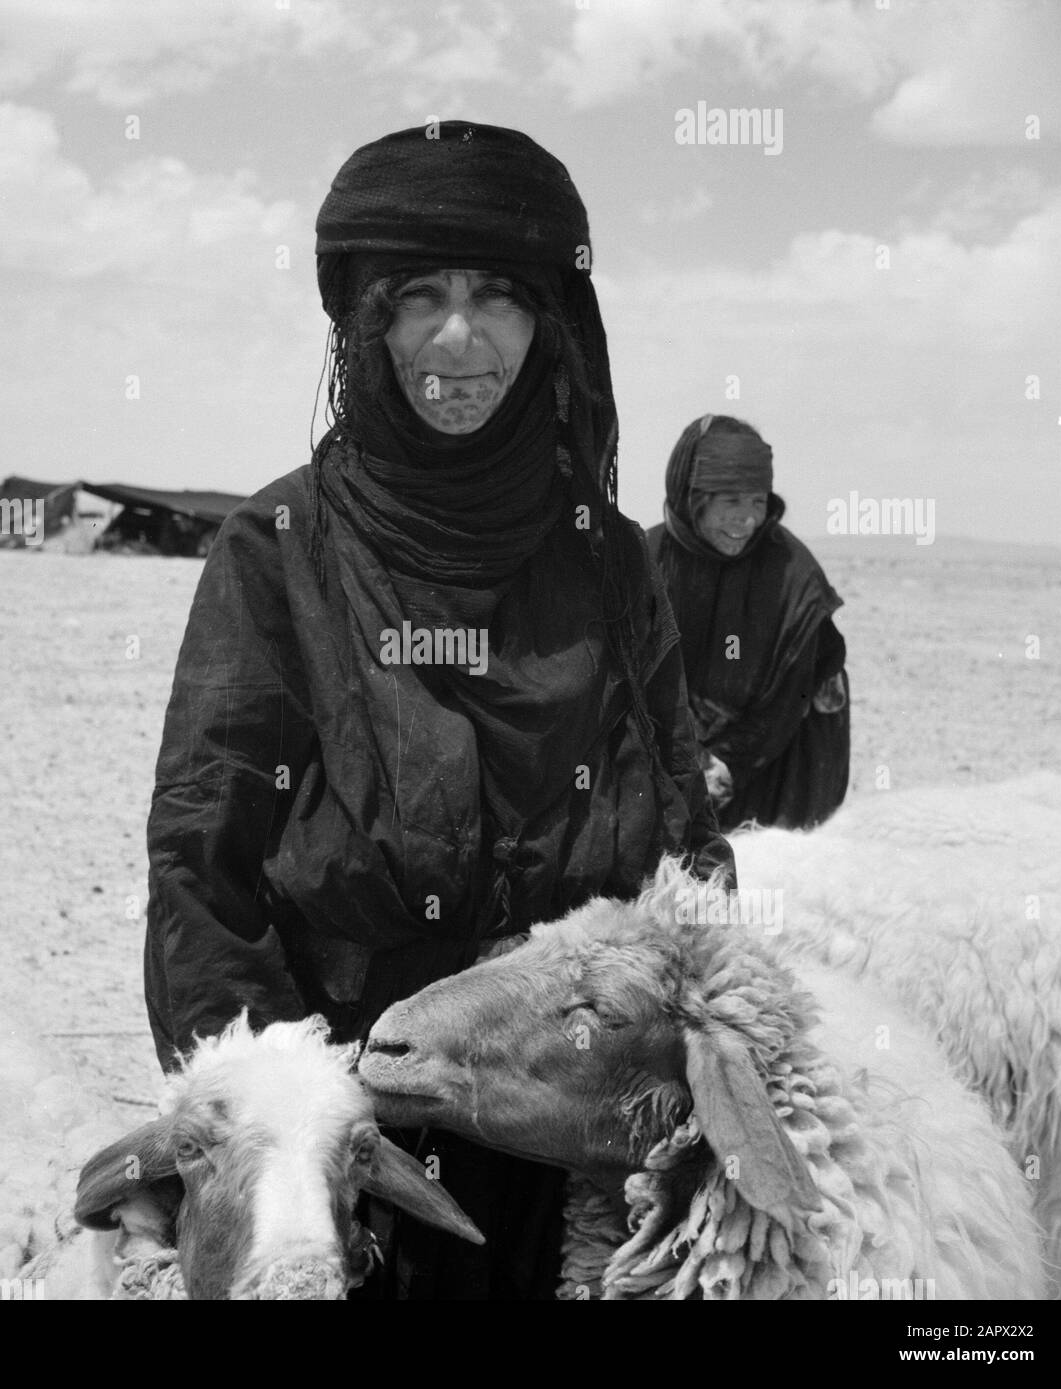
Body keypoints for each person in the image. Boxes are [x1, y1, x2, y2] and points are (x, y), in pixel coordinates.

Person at [143, 121, 733, 1300]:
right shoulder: (277, 557)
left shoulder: (610, 565)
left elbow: (684, 860)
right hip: (352, 1156)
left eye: (498, 299)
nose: (458, 339)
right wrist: (285, 1152)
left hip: (573, 1146)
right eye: (420, 296)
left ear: (549, 330)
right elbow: (204, 872)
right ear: (367, 323)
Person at [645, 414, 850, 832]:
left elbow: (792, 696)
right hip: (671, 750)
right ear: (693, 498)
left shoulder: (793, 574)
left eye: (757, 502)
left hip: (774, 753)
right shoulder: (649, 559)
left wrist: (725, 765)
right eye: (731, 502)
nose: (747, 520)